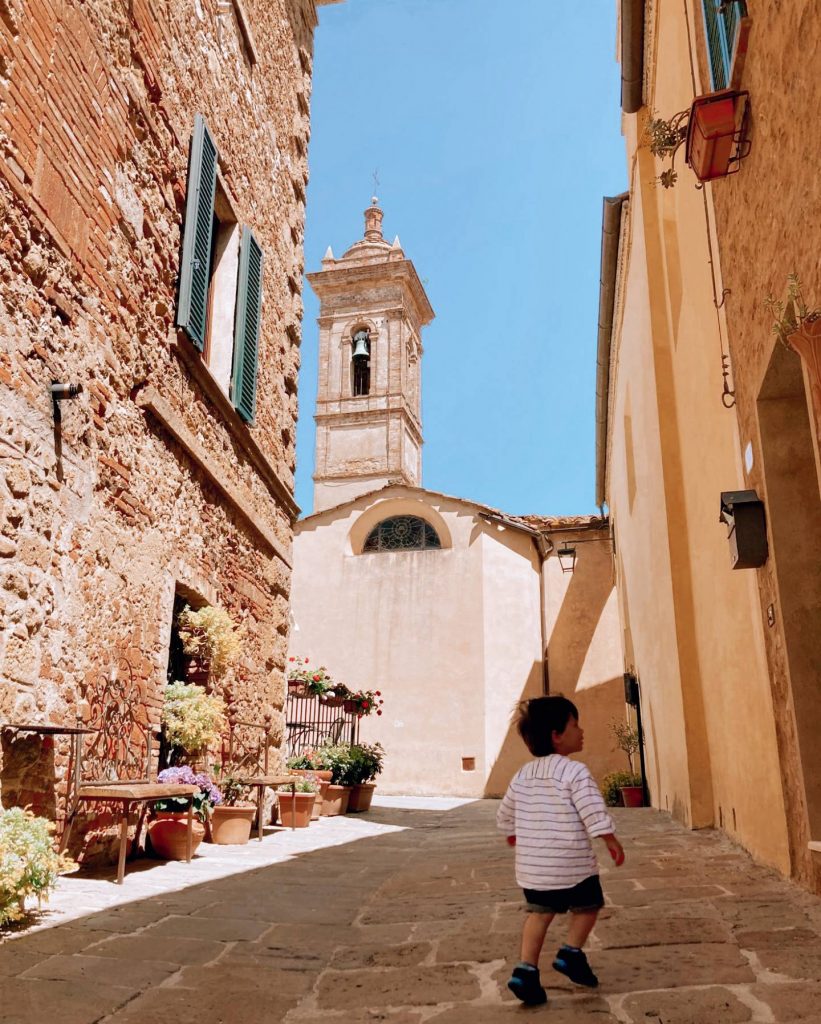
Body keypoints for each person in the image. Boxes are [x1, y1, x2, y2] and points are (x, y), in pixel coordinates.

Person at [497, 695, 625, 1006]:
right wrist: (609, 839)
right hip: (572, 866)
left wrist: (511, 834)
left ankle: (525, 970)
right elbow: (592, 809)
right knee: (589, 905)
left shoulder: (521, 776)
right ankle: (570, 952)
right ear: (557, 736)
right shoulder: (574, 772)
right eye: (575, 725)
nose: (581, 731)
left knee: (538, 915)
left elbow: (504, 813)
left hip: (534, 870)